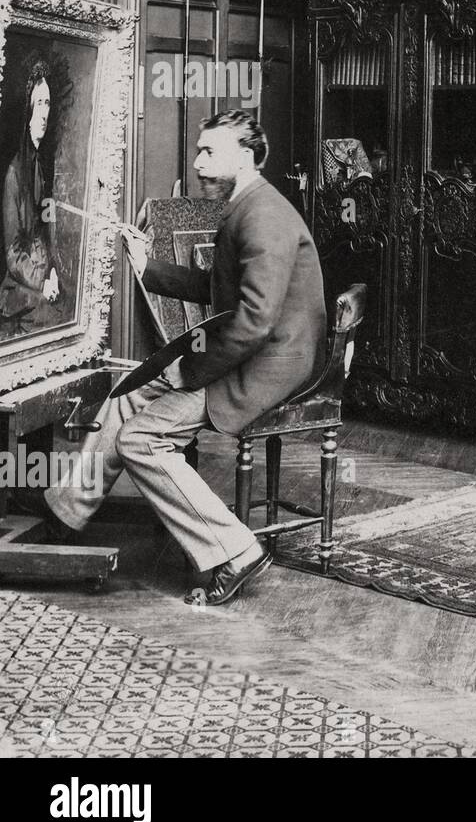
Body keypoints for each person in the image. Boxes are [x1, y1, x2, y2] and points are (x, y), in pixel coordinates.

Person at [28, 110, 328, 606]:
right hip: (248, 351)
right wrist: (150, 268)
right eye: (197, 151)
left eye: (210, 152)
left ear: (247, 157)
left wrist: (187, 371)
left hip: (270, 365)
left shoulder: (264, 216)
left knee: (141, 439)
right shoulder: (245, 204)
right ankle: (66, 512)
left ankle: (235, 550)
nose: (198, 164)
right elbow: (223, 291)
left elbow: (252, 323)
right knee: (128, 395)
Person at [0, 61, 62, 337]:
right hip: (19, 293)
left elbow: (46, 229)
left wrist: (52, 273)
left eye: (47, 103)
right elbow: (13, 253)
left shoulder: (43, 164)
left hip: (43, 281)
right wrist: (41, 282)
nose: (43, 113)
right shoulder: (15, 173)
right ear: (27, 110)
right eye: (38, 104)